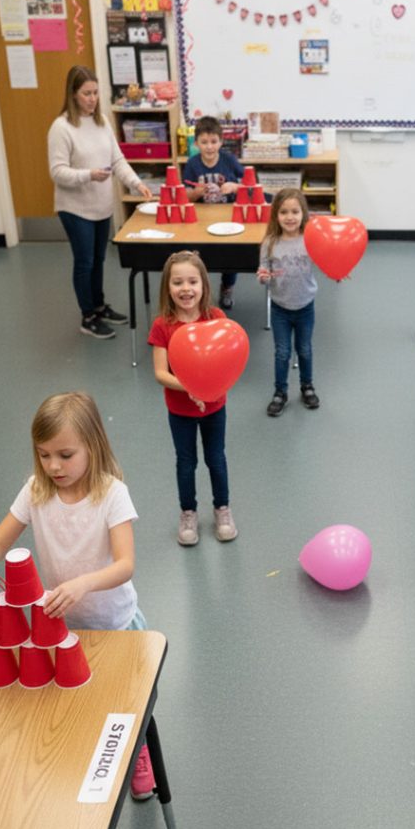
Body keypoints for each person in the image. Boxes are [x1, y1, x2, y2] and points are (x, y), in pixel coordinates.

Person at [0, 391, 155, 801]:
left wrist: (84, 583)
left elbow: (125, 565)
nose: (54, 466)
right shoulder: (35, 490)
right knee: (71, 700)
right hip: (59, 627)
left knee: (123, 702)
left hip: (115, 624)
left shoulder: (112, 494)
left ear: (93, 446)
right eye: (45, 455)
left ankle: (139, 752)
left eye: (65, 455)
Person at [48, 65, 152, 340]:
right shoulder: (61, 128)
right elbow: (57, 171)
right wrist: (88, 175)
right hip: (75, 209)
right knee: (84, 262)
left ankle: (99, 305)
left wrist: (136, 183)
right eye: (86, 94)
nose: (92, 99)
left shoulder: (102, 122)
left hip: (101, 206)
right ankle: (88, 317)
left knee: (99, 259)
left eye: (95, 92)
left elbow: (117, 160)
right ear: (73, 94)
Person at [148, 250, 237, 547]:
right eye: (177, 283)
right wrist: (190, 389)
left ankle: (222, 510)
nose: (185, 289)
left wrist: (210, 388)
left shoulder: (217, 318)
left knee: (216, 459)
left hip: (215, 407)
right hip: (180, 410)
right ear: (167, 287)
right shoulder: (163, 325)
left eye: (192, 281)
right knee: (186, 463)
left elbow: (227, 360)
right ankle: (188, 513)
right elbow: (161, 372)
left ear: (203, 285)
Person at [257, 187, 319, 417]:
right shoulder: (270, 243)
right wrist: (263, 277)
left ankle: (307, 386)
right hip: (280, 308)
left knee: (304, 349)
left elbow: (325, 260)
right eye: (284, 212)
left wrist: (338, 271)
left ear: (303, 213)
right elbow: (264, 272)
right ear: (276, 215)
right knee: (282, 352)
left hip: (305, 306)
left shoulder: (310, 239)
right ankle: (280, 392)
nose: (290, 217)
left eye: (295, 211)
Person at [182, 116, 245, 310]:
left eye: (213, 142)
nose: (209, 147)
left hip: (228, 218)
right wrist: (195, 193)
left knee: (231, 257)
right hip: (201, 220)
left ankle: (227, 288)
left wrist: (234, 186)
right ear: (196, 143)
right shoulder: (192, 164)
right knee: (200, 257)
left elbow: (249, 186)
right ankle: (201, 290)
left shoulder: (229, 160)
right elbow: (185, 196)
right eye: (204, 142)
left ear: (221, 141)